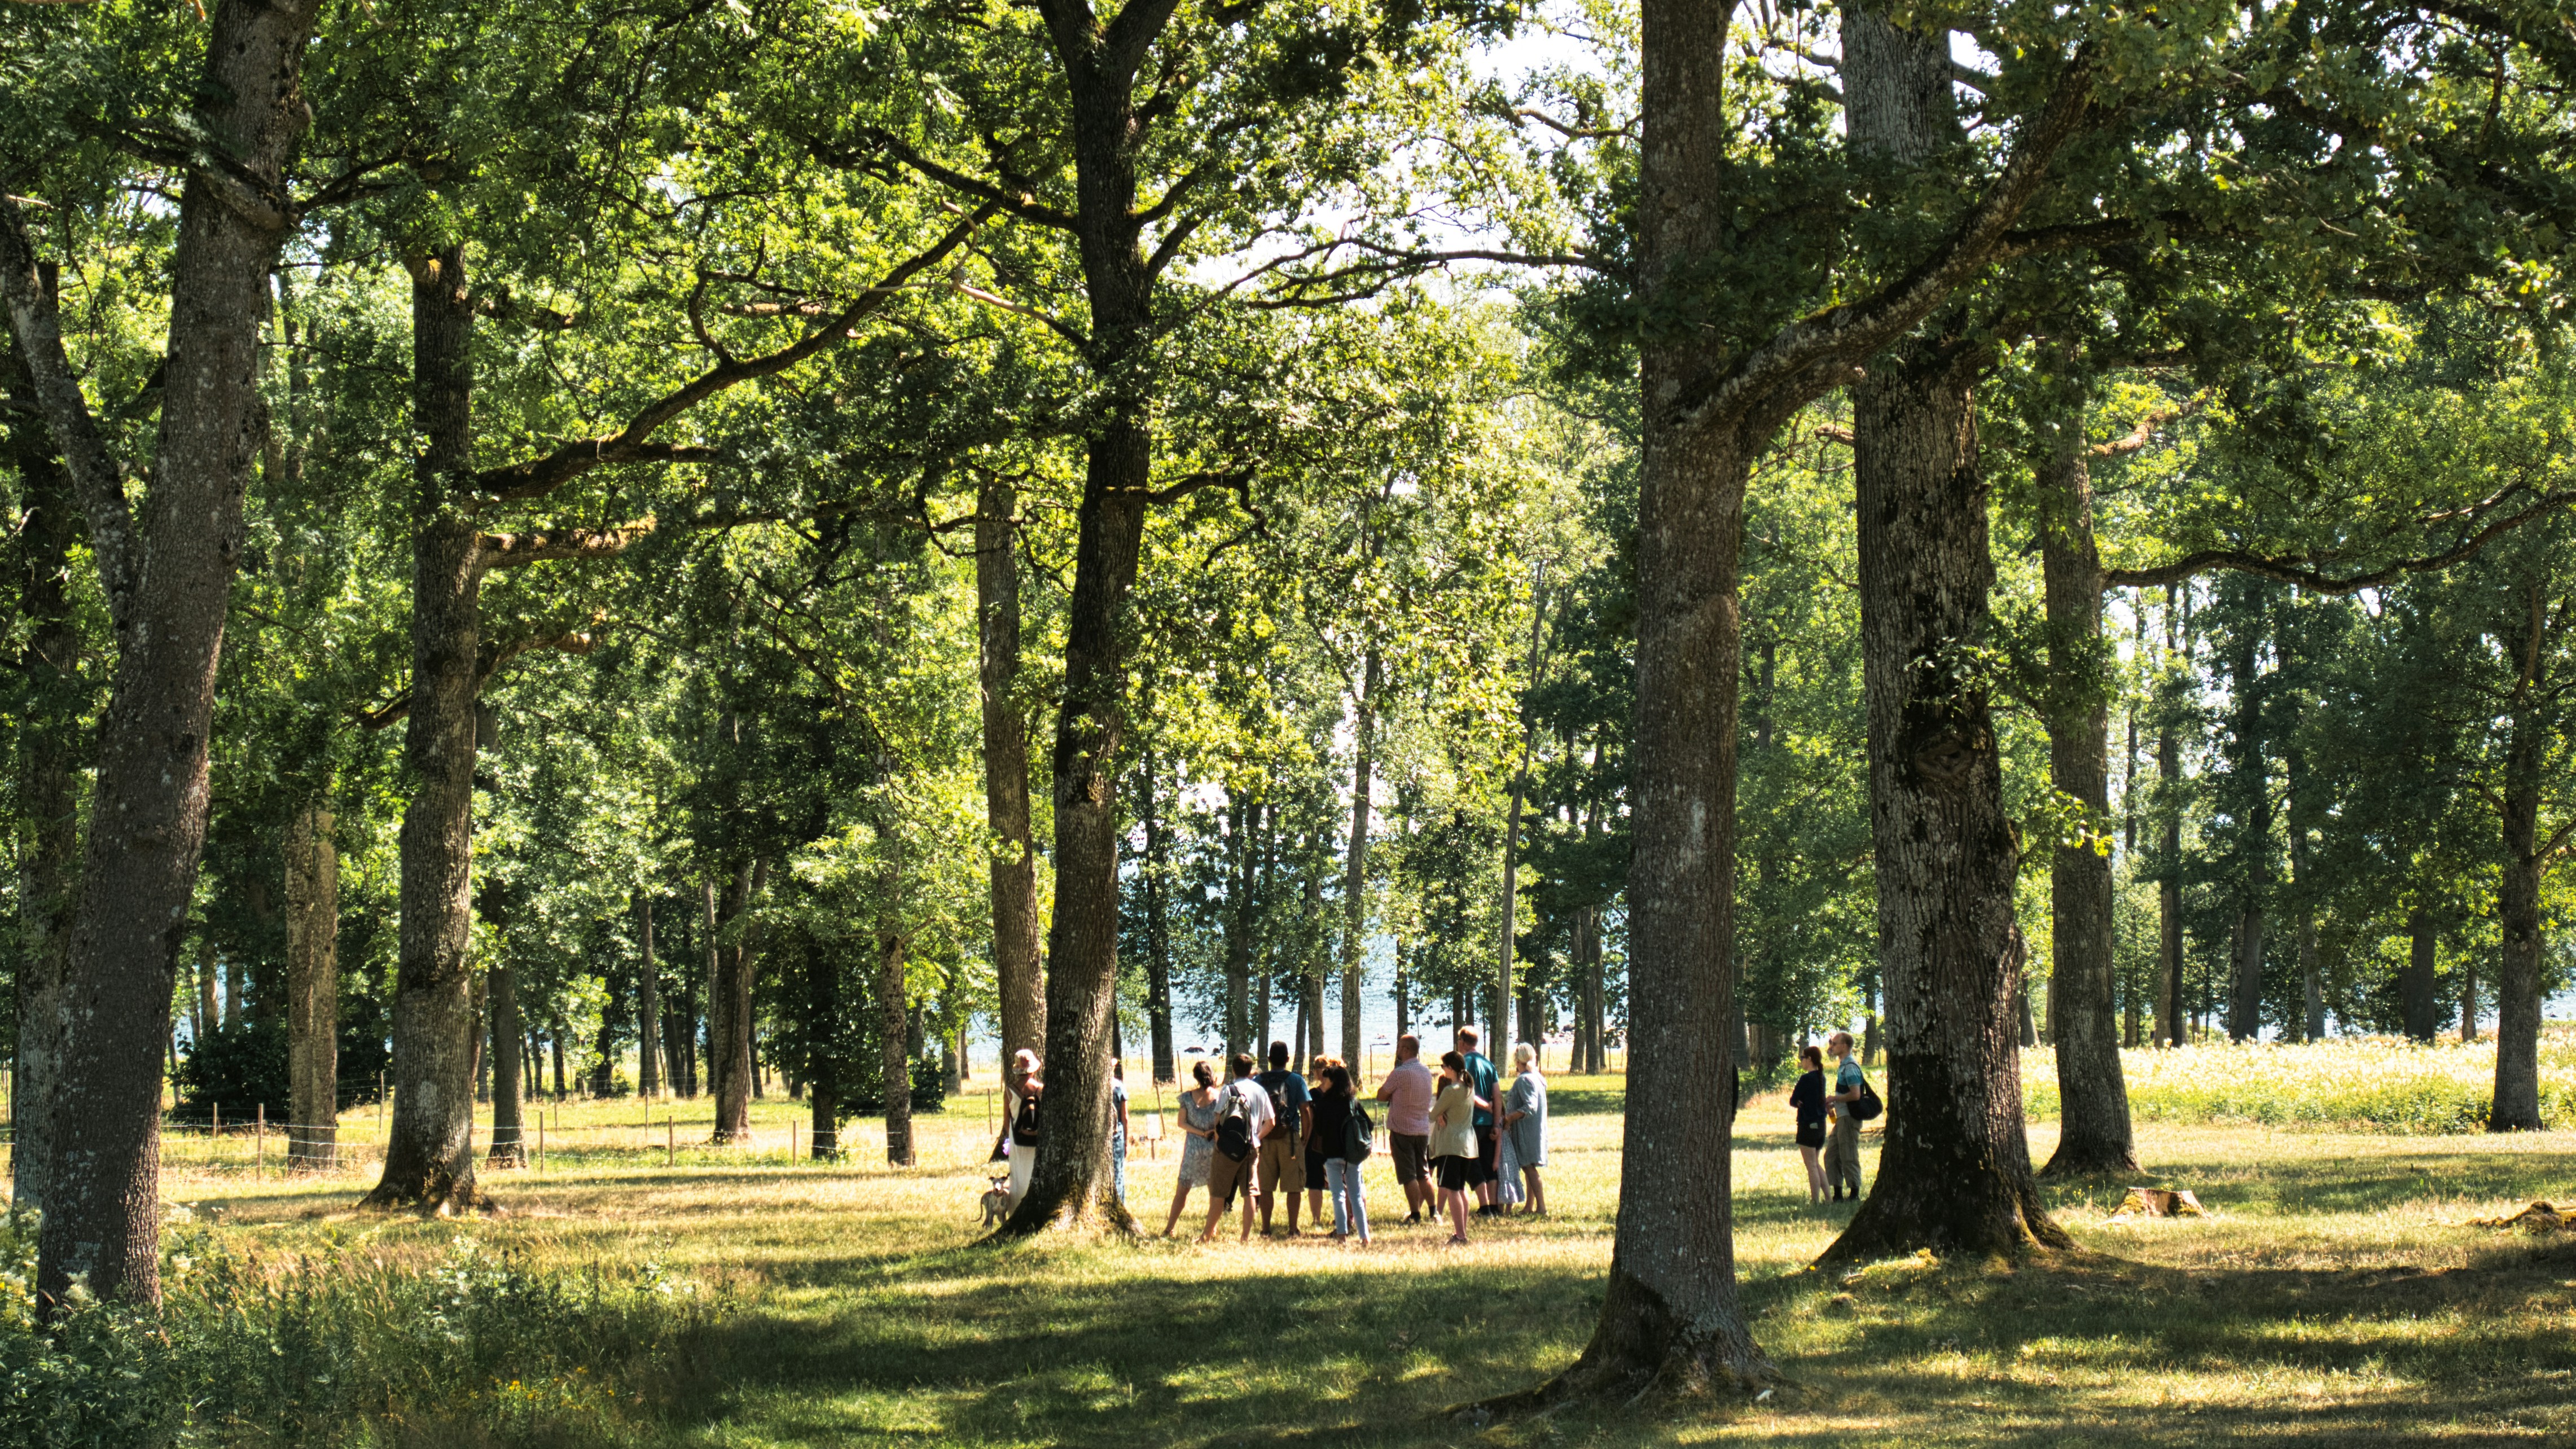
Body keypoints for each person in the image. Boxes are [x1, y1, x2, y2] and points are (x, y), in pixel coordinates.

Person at [1199, 1052, 1275, 1244]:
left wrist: (1220, 1141)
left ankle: (1206, 1236)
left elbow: (1218, 1119)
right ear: (1251, 1070)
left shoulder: (1229, 1089)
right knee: (1250, 1192)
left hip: (1227, 1148)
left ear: (1233, 1069)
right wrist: (1256, 1137)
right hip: (1251, 1148)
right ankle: (1245, 1237)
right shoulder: (1260, 1090)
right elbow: (1271, 1121)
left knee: (1219, 1193)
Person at [1375, 1034, 1436, 1223]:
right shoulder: (1426, 1072)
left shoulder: (1400, 1073)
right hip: (1422, 1129)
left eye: (1400, 1047)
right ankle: (1434, 1212)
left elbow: (1381, 1096)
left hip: (1402, 1129)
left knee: (1408, 1174)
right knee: (1423, 1172)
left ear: (1407, 1050)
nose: (1398, 1050)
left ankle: (1415, 1213)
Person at [1253, 1042, 1312, 1233]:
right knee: (1294, 1185)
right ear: (1288, 1059)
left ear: (1269, 1059)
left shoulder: (1258, 1080)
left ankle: (1265, 1228)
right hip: (1290, 1137)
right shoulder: (1296, 1080)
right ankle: (1293, 1228)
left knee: (1266, 1186)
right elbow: (1305, 1110)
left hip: (1265, 1136)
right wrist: (1305, 1136)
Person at [1428, 1050, 1486, 1245]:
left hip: (1451, 1146)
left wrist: (1438, 1114)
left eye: (1444, 1066)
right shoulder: (1469, 1088)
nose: (1443, 1070)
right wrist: (1441, 1115)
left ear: (1451, 1068)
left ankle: (1460, 1235)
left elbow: (1432, 1113)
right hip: (1467, 1146)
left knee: (1453, 1190)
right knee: (1461, 1190)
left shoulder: (1451, 1090)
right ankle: (1461, 1232)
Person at [1311, 1062, 1370, 1244]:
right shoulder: (1353, 1102)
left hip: (1331, 1155)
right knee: (1356, 1196)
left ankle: (1342, 1236)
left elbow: (1318, 1129)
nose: (1323, 1081)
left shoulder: (1324, 1103)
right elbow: (1369, 1124)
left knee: (1338, 1195)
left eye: (1326, 1078)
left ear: (1334, 1081)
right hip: (1352, 1155)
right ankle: (1364, 1236)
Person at [1163, 1060, 1221, 1236]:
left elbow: (1181, 1123)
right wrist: (1210, 1132)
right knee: (1214, 1192)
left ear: (1195, 1077)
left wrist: (1200, 1132)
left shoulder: (1187, 1098)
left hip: (1193, 1150)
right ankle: (1212, 1228)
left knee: (1182, 1190)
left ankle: (1169, 1228)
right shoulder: (1219, 1097)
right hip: (1213, 1148)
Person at [1500, 1042, 1548, 1216]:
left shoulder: (1525, 1079)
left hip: (1527, 1131)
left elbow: (1530, 1106)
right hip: (1534, 1130)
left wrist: (1509, 1118)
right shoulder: (1538, 1077)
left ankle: (1541, 1208)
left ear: (1517, 1060)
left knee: (1529, 1168)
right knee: (1529, 1168)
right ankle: (1529, 1206)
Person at [1456, 1028, 1501, 1214]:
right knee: (1489, 1165)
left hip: (1471, 1121)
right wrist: (1497, 1123)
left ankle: (1482, 1207)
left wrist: (1485, 1108)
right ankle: (1494, 1206)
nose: (1458, 1043)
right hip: (1488, 1124)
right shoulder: (1489, 1065)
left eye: (1459, 1040)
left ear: (1465, 1043)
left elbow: (1465, 1092)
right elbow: (1497, 1096)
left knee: (1470, 1165)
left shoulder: (1463, 1063)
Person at [1826, 1030, 1867, 1202]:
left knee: (1848, 1154)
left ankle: (1854, 1194)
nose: (1832, 1047)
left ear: (1844, 1046)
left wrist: (1835, 1098)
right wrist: (1835, 1104)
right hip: (1841, 1116)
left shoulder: (1850, 1067)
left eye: (1834, 1044)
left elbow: (1856, 1094)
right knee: (1832, 1154)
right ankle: (1837, 1194)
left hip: (1849, 1118)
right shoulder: (1843, 1065)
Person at [1789, 1044, 1830, 1206]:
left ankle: (1815, 1200)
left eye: (1802, 1058)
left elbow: (1793, 1099)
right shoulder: (1822, 1077)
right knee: (1816, 1163)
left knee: (1811, 1165)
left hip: (1807, 1125)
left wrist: (1798, 1102)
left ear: (1810, 1059)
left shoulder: (1806, 1079)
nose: (1801, 1061)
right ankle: (1828, 1198)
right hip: (1821, 1125)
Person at [1301, 1055, 1339, 1225]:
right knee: (1339, 1182)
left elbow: (1309, 1121)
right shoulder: (1339, 1093)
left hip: (1316, 1144)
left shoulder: (1313, 1094)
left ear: (1318, 1072)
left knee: (1315, 1183)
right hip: (1337, 1142)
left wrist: (1304, 1143)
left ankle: (1316, 1220)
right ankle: (1341, 1217)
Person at [1005, 1050, 1043, 1210]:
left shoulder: (1009, 1090)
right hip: (1038, 1140)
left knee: (1018, 1177)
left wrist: (1011, 1138)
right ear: (1033, 1069)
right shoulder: (1040, 1088)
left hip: (1017, 1139)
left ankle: (1017, 1211)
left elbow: (1006, 1121)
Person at [1109, 1057, 1131, 1206]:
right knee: (1118, 1171)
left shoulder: (1094, 1087)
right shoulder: (1119, 1087)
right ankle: (1118, 1204)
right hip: (1116, 1132)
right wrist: (1127, 1142)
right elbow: (1125, 1117)